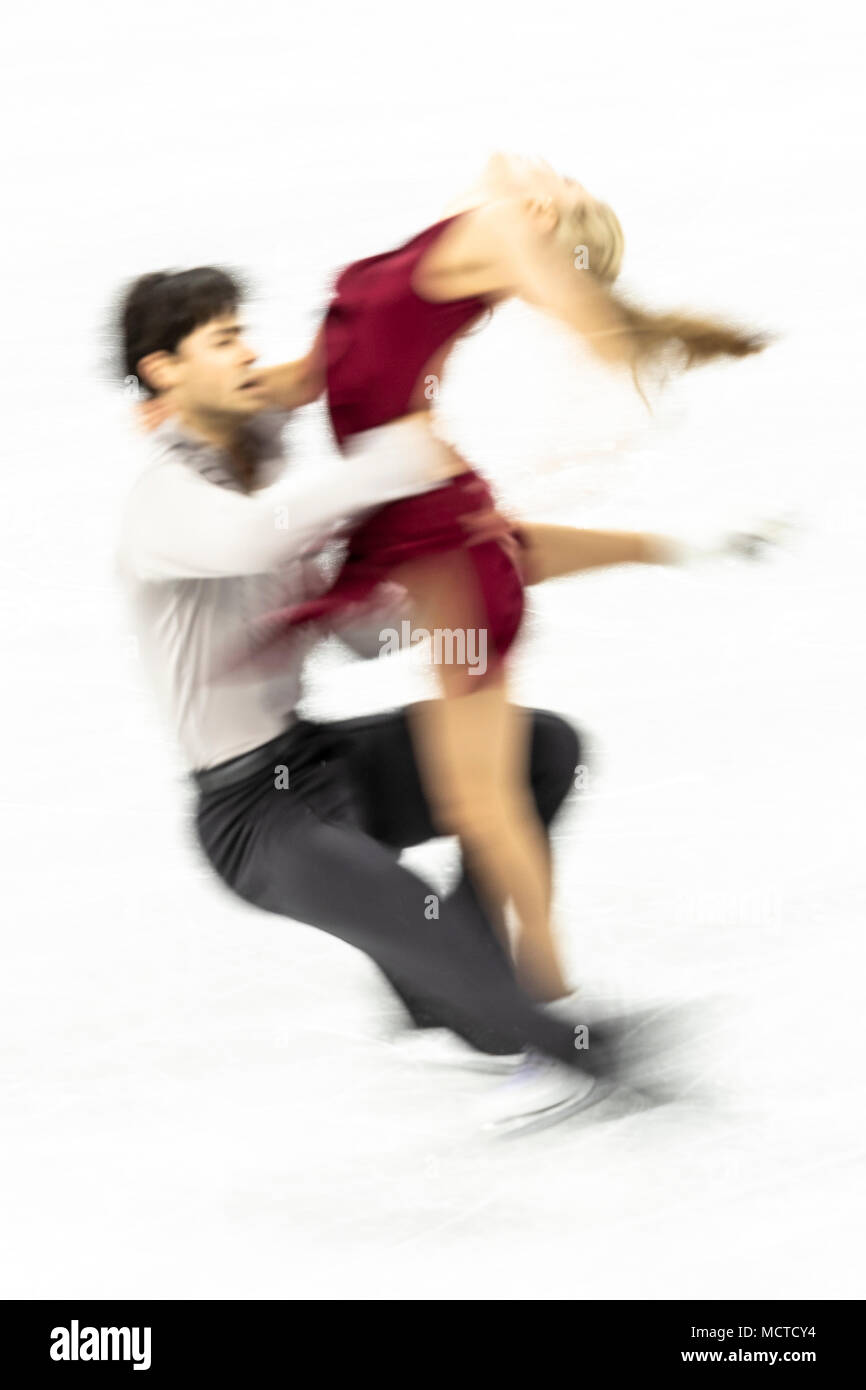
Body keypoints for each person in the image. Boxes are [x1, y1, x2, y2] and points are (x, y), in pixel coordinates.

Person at [115, 264, 652, 1131]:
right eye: (224, 339)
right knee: (417, 921)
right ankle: (563, 1049)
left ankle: (452, 990)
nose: (250, 351)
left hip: (320, 764)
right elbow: (256, 538)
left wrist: (443, 585)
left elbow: (354, 633)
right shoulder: (166, 502)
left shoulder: (261, 481)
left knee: (544, 750)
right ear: (162, 370)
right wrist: (388, 462)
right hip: (258, 819)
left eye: (244, 331)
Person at [251, 152, 768, 1006]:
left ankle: (556, 1009)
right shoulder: (452, 238)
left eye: (566, 197)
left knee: (483, 802)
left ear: (544, 230)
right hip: (412, 530)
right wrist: (214, 399)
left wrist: (604, 327)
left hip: (442, 543)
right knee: (474, 796)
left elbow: (575, 306)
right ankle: (510, 994)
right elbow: (307, 378)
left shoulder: (502, 233)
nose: (556, 179)